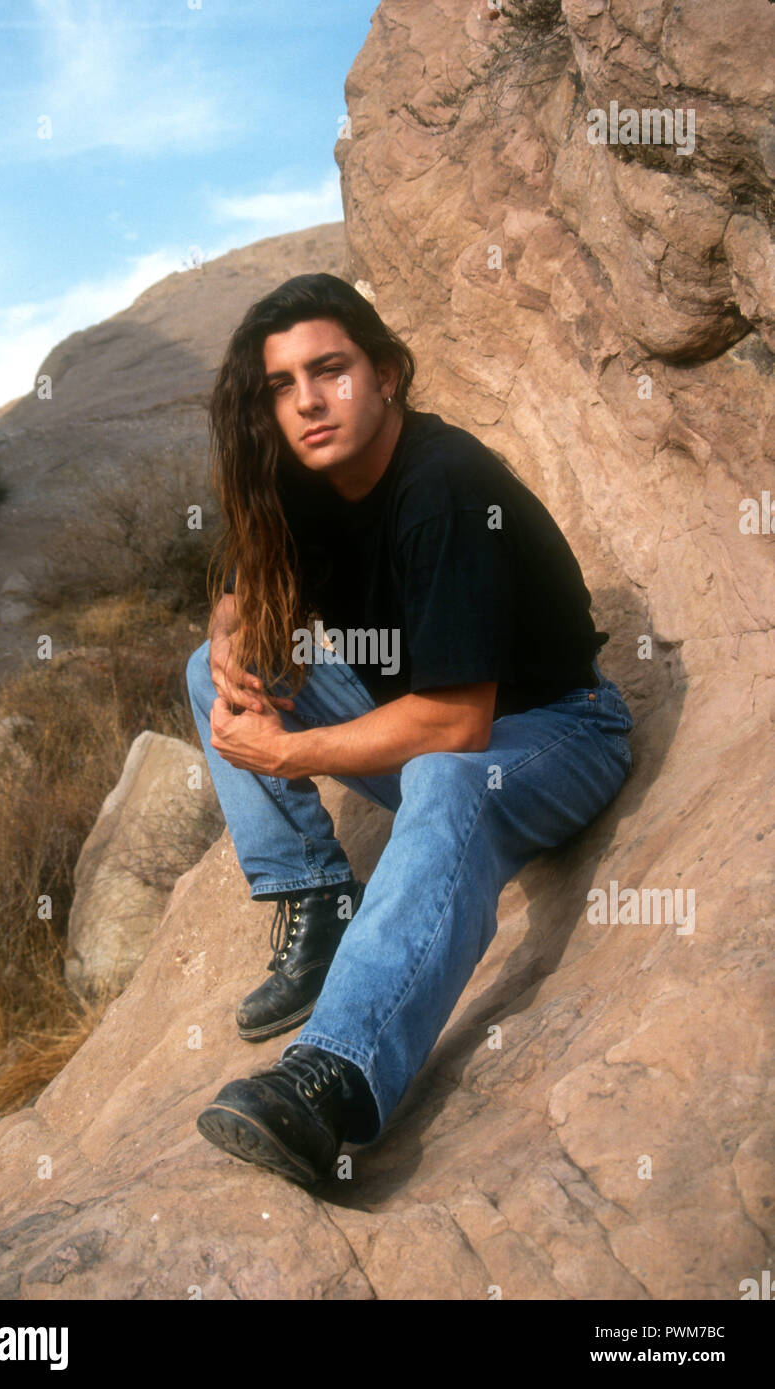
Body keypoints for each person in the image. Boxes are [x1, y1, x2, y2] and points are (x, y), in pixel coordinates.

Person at [185, 273, 633, 1187]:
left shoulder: (447, 485)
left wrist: (290, 752)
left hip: (556, 733)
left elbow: (460, 726)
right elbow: (233, 602)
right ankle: (319, 900)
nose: (307, 401)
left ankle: (334, 1080)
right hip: (432, 731)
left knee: (446, 776)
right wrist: (231, 643)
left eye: (331, 370)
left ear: (386, 374)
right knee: (208, 674)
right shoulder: (300, 477)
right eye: (282, 384)